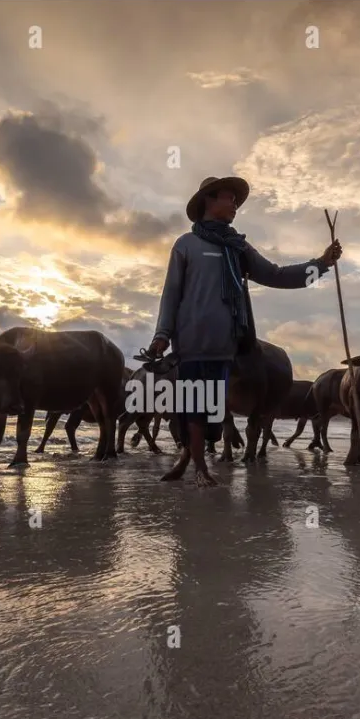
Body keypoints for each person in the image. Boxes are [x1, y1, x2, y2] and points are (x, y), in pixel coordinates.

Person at [146, 175, 343, 486]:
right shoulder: (186, 244)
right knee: (192, 407)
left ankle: (190, 458)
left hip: (227, 345)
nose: (235, 205)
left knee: (211, 411)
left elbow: (277, 275)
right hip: (192, 341)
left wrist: (320, 264)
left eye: (237, 201)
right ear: (208, 201)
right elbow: (171, 293)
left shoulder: (239, 248)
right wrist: (162, 335)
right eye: (229, 198)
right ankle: (198, 467)